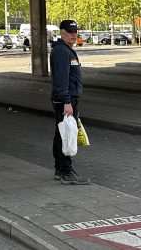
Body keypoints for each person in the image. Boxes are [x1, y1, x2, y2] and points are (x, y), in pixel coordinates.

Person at [50, 19, 89, 184]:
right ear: (62, 32)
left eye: (75, 31)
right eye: (70, 32)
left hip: (67, 98)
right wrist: (67, 102)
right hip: (66, 99)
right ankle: (66, 171)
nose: (74, 35)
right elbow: (61, 80)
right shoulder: (61, 51)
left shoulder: (66, 49)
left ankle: (60, 169)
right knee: (66, 135)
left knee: (61, 134)